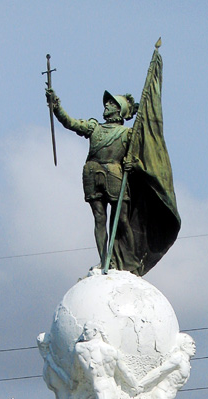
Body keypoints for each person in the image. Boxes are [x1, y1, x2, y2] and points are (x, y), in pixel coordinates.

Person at [46, 87, 138, 270]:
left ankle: (130, 260)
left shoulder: (128, 134)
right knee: (99, 218)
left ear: (119, 109)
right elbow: (70, 122)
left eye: (111, 103)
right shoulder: (94, 127)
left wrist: (132, 164)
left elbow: (139, 157)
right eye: (107, 102)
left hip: (115, 174)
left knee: (122, 219)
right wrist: (56, 105)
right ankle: (104, 260)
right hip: (92, 173)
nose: (106, 105)